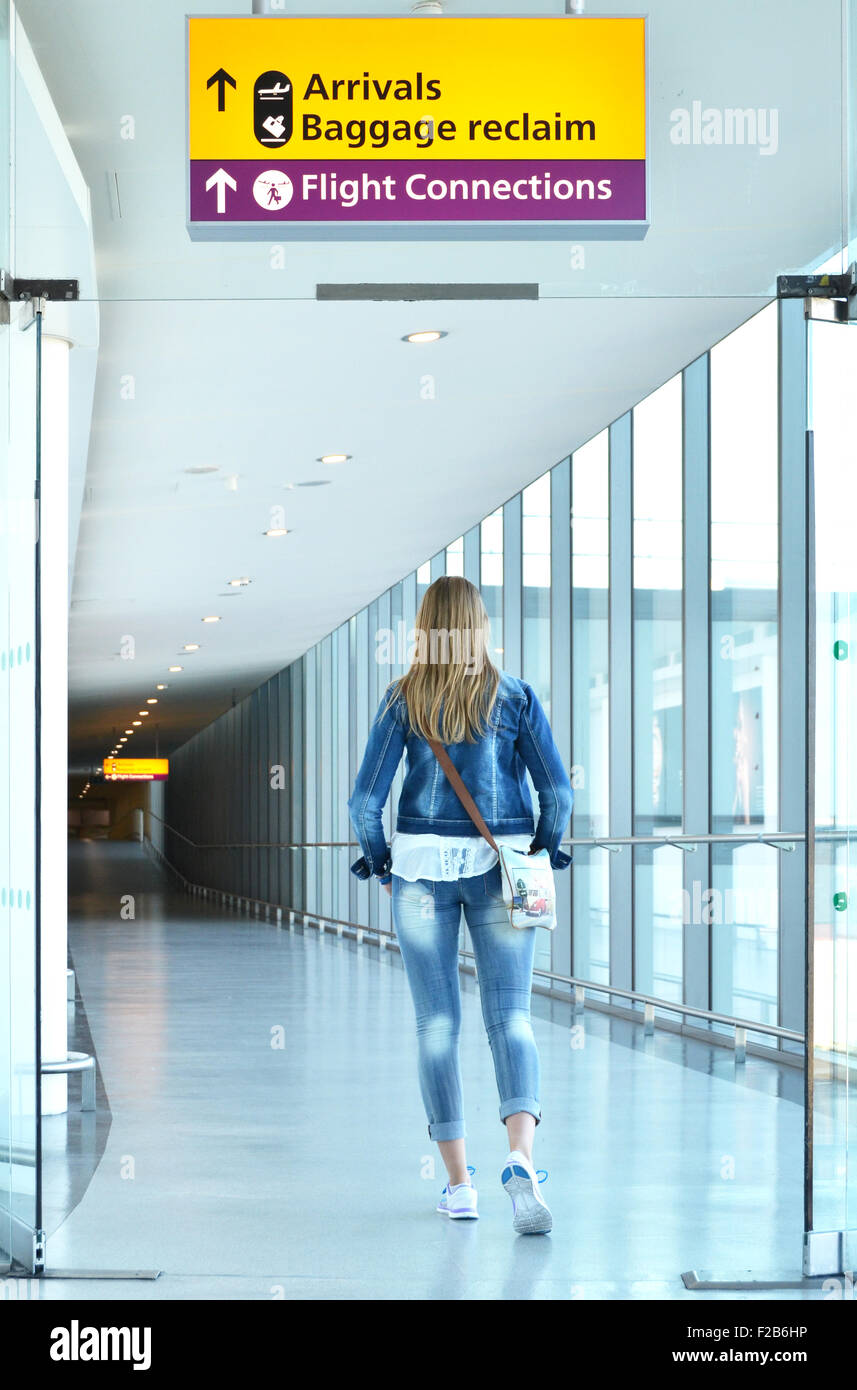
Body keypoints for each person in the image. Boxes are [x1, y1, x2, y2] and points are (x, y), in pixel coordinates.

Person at [347, 576, 573, 1234]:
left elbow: (364, 803)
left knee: (436, 1025)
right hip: (503, 870)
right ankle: (521, 1158)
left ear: (425, 627)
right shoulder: (515, 698)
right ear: (478, 624)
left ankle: (457, 1185)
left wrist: (380, 862)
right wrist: (543, 853)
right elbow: (556, 795)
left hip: (420, 873)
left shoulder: (402, 701)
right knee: (511, 1019)